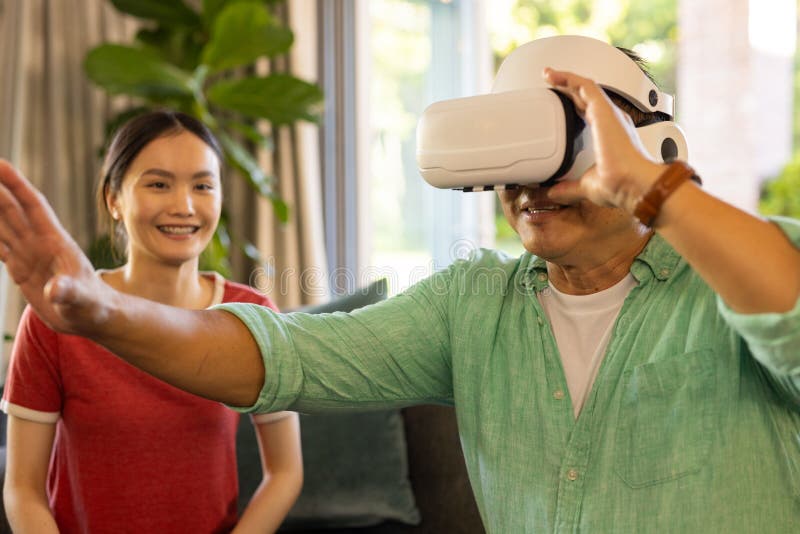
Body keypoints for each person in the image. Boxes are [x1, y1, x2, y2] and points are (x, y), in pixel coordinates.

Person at [1, 37, 799, 532]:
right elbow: (283, 358)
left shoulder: (739, 274)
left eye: (562, 144)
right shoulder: (472, 304)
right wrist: (99, 310)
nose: (530, 182)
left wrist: (652, 189)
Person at [0, 111, 303, 533]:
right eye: (158, 184)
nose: (184, 206)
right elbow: (22, 488)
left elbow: (285, 472)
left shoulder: (252, 316)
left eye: (203, 186)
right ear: (114, 199)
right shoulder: (58, 316)